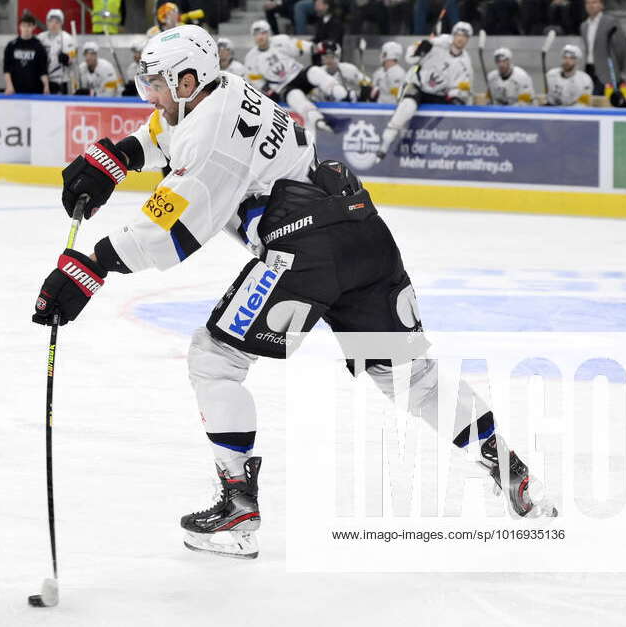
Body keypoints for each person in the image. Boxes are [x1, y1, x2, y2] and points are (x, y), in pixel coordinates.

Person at [33, 24, 558, 559]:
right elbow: (172, 132)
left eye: (157, 84)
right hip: (362, 231)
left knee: (214, 361)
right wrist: (118, 156)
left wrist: (88, 266)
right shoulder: (229, 88)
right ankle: (514, 473)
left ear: (188, 80)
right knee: (408, 377)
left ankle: (237, 509)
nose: (151, 96)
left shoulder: (211, 141)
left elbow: (171, 231)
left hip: (303, 249)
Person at [375, 21, 474, 161]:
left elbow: (459, 87)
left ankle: (415, 148)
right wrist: (421, 49)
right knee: (407, 108)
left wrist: (456, 96)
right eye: (458, 34)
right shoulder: (438, 44)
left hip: (438, 94)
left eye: (465, 36)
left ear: (468, 39)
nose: (461, 38)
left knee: (437, 120)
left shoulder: (465, 63)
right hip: (418, 86)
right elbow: (410, 58)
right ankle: (384, 146)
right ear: (453, 34)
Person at [244, 20, 335, 132]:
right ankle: (319, 121)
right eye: (256, 34)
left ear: (269, 33)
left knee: (315, 71)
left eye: (263, 33)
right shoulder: (251, 58)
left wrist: (317, 47)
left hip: (299, 75)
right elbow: (255, 80)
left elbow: (299, 46)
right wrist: (267, 90)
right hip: (283, 87)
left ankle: (342, 95)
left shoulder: (281, 40)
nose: (260, 37)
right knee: (295, 98)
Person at [580, 0, 626, 96]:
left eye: (594, 2)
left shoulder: (610, 22)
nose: (590, 5)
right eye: (587, 3)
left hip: (606, 71)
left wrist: (617, 68)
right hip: (588, 69)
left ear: (602, 5)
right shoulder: (584, 25)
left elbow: (620, 47)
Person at [2, 13, 49, 95]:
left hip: (35, 91)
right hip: (15, 90)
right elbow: (7, 69)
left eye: (29, 26)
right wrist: (9, 86)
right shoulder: (11, 46)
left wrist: (46, 86)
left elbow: (43, 70)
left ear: (34, 27)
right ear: (19, 27)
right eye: (23, 25)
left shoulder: (39, 47)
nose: (26, 29)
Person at [37, 8, 76, 95]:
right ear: (47, 22)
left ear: (61, 23)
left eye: (57, 22)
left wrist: (67, 59)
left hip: (59, 81)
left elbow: (72, 60)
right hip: (42, 80)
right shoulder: (40, 38)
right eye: (51, 21)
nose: (54, 24)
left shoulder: (67, 38)